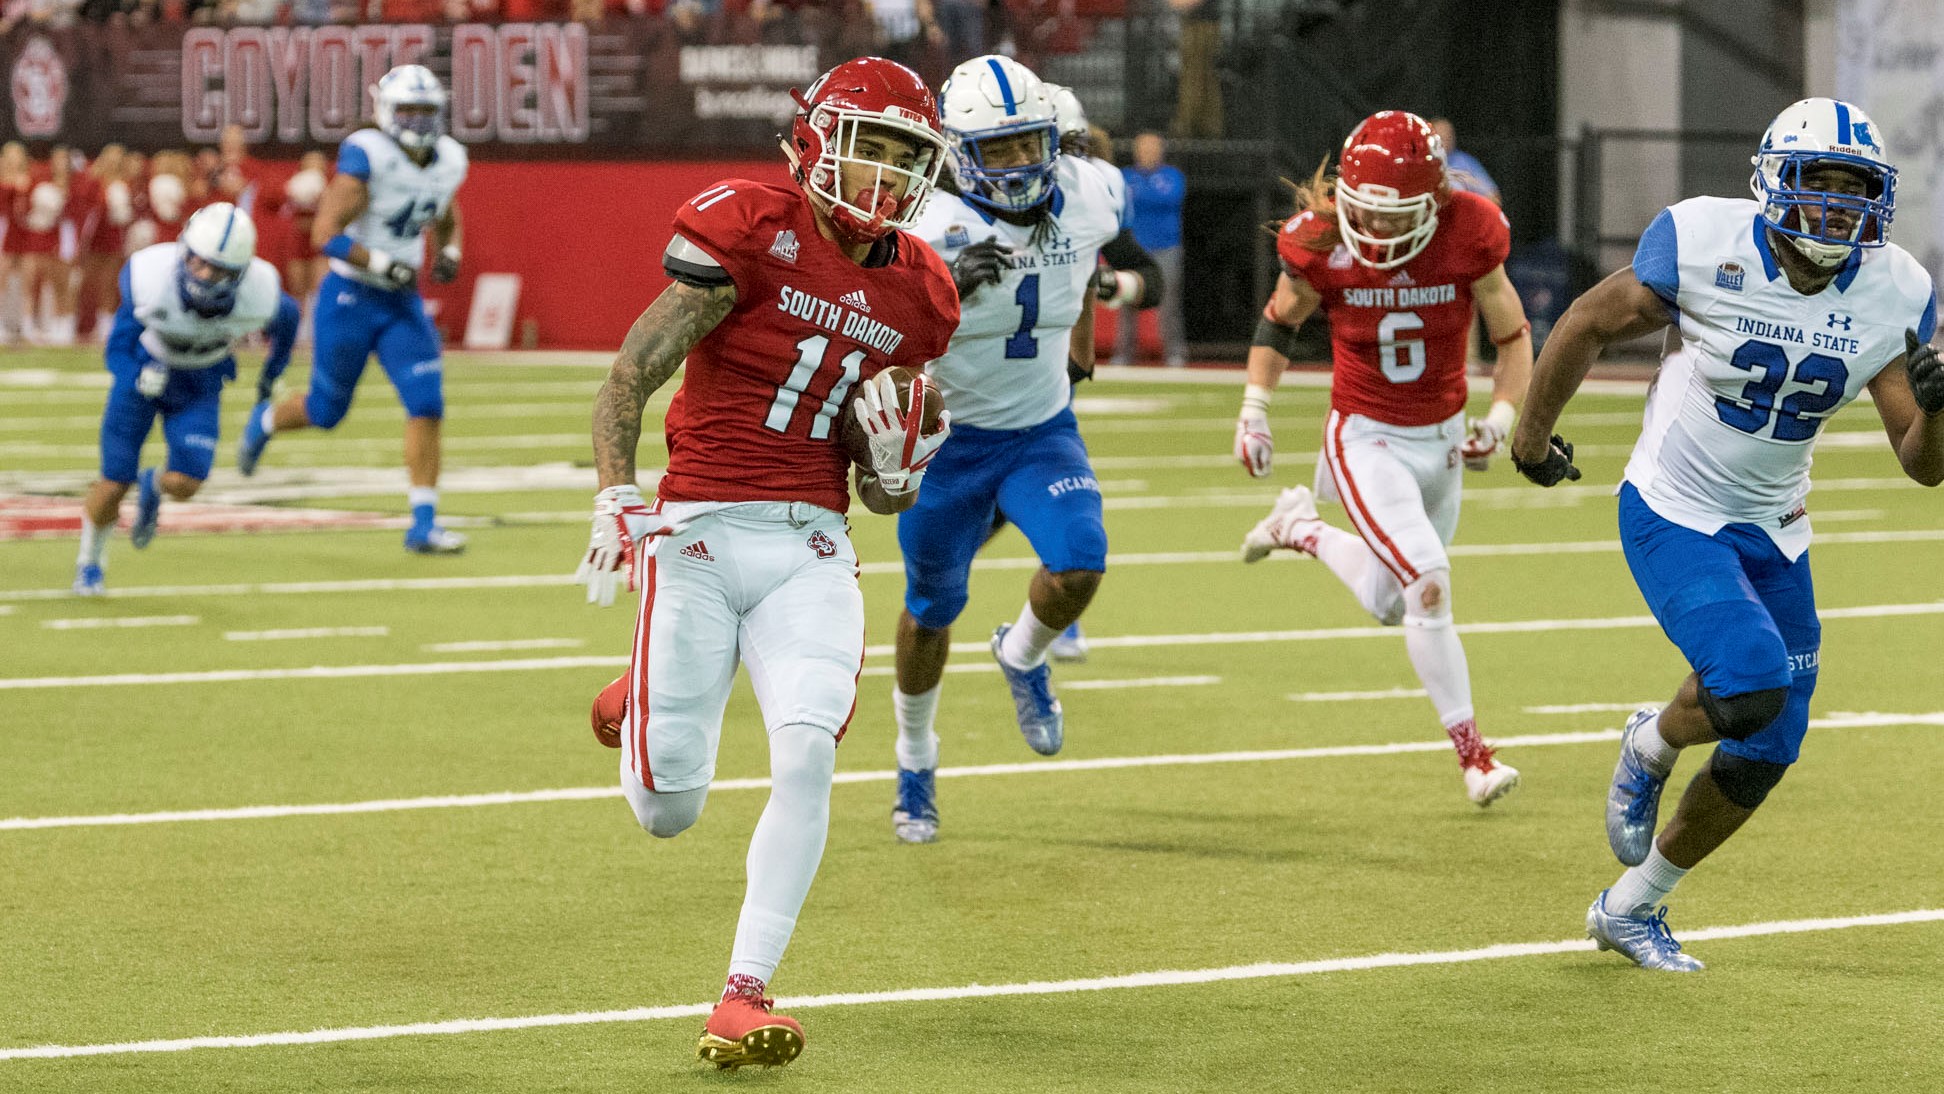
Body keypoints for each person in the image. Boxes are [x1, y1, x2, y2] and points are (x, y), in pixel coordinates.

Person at [574, 57, 958, 1068]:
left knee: (808, 752)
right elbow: (630, 375)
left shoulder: (921, 289)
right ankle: (637, 690)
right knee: (668, 809)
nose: (883, 176)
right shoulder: (750, 225)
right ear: (815, 137)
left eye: (904, 158)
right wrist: (619, 495)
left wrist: (897, 466)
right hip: (697, 529)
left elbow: (884, 488)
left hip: (811, 542)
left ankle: (743, 990)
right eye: (868, 147)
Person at [1509, 98, 1942, 971]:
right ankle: (1654, 740)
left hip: (1778, 526)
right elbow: (1590, 321)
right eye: (1818, 185)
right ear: (1773, 182)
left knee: (1771, 743)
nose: (1837, 209)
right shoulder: (1705, 241)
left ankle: (1631, 907)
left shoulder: (1894, 287)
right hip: (1673, 507)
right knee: (1749, 686)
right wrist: (1530, 435)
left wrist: (1941, 411)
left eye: (1855, 191)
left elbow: (1921, 462)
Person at [1234, 110, 1535, 807]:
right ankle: (1474, 756)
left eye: (1395, 216)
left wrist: (1498, 419)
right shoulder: (1320, 240)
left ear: (1434, 200)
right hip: (1365, 435)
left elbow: (1513, 337)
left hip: (1442, 437)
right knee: (1427, 581)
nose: (1377, 230)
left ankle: (1298, 528)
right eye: (1365, 213)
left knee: (1388, 603)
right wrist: (1254, 409)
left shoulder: (1471, 228)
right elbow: (1279, 321)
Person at [888, 55, 1141, 844]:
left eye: (1029, 144)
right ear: (958, 153)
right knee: (930, 611)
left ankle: (1024, 655)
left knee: (1080, 561)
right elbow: (871, 332)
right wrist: (941, 288)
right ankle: (914, 760)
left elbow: (1136, 265)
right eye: (996, 151)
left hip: (1040, 431)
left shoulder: (1091, 193)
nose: (1019, 164)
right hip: (950, 444)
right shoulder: (923, 227)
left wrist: (1110, 295)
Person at [237, 64, 469, 554]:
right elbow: (325, 234)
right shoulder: (368, 155)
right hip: (350, 298)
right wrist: (383, 262)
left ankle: (423, 520)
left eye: (427, 112)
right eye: (408, 110)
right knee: (326, 412)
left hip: (400, 302)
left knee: (427, 402)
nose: (419, 122)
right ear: (385, 111)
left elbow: (445, 214)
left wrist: (449, 253)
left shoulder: (448, 159)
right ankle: (265, 421)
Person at [74, 202, 299, 595]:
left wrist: (271, 376)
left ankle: (153, 485)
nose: (206, 276)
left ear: (241, 272)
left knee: (188, 481)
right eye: (199, 263)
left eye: (220, 270)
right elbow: (117, 349)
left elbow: (288, 321)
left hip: (201, 380)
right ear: (183, 251)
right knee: (113, 483)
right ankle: (90, 561)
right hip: (146, 368)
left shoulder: (261, 293)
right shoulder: (149, 276)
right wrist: (135, 375)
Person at [1115, 131, 1187, 368]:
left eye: (1152, 148)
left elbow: (1168, 198)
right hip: (1134, 249)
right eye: (1143, 148)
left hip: (1166, 248)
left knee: (1168, 303)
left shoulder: (1172, 176)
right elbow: (1119, 202)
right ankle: (1124, 353)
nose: (1148, 153)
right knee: (1126, 299)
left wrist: (1141, 194)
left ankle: (1175, 352)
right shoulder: (1124, 176)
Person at [1428, 117, 1500, 204]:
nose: (1446, 141)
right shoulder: (1421, 161)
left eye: (1449, 136)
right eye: (1442, 137)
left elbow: (1494, 198)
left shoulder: (1465, 162)